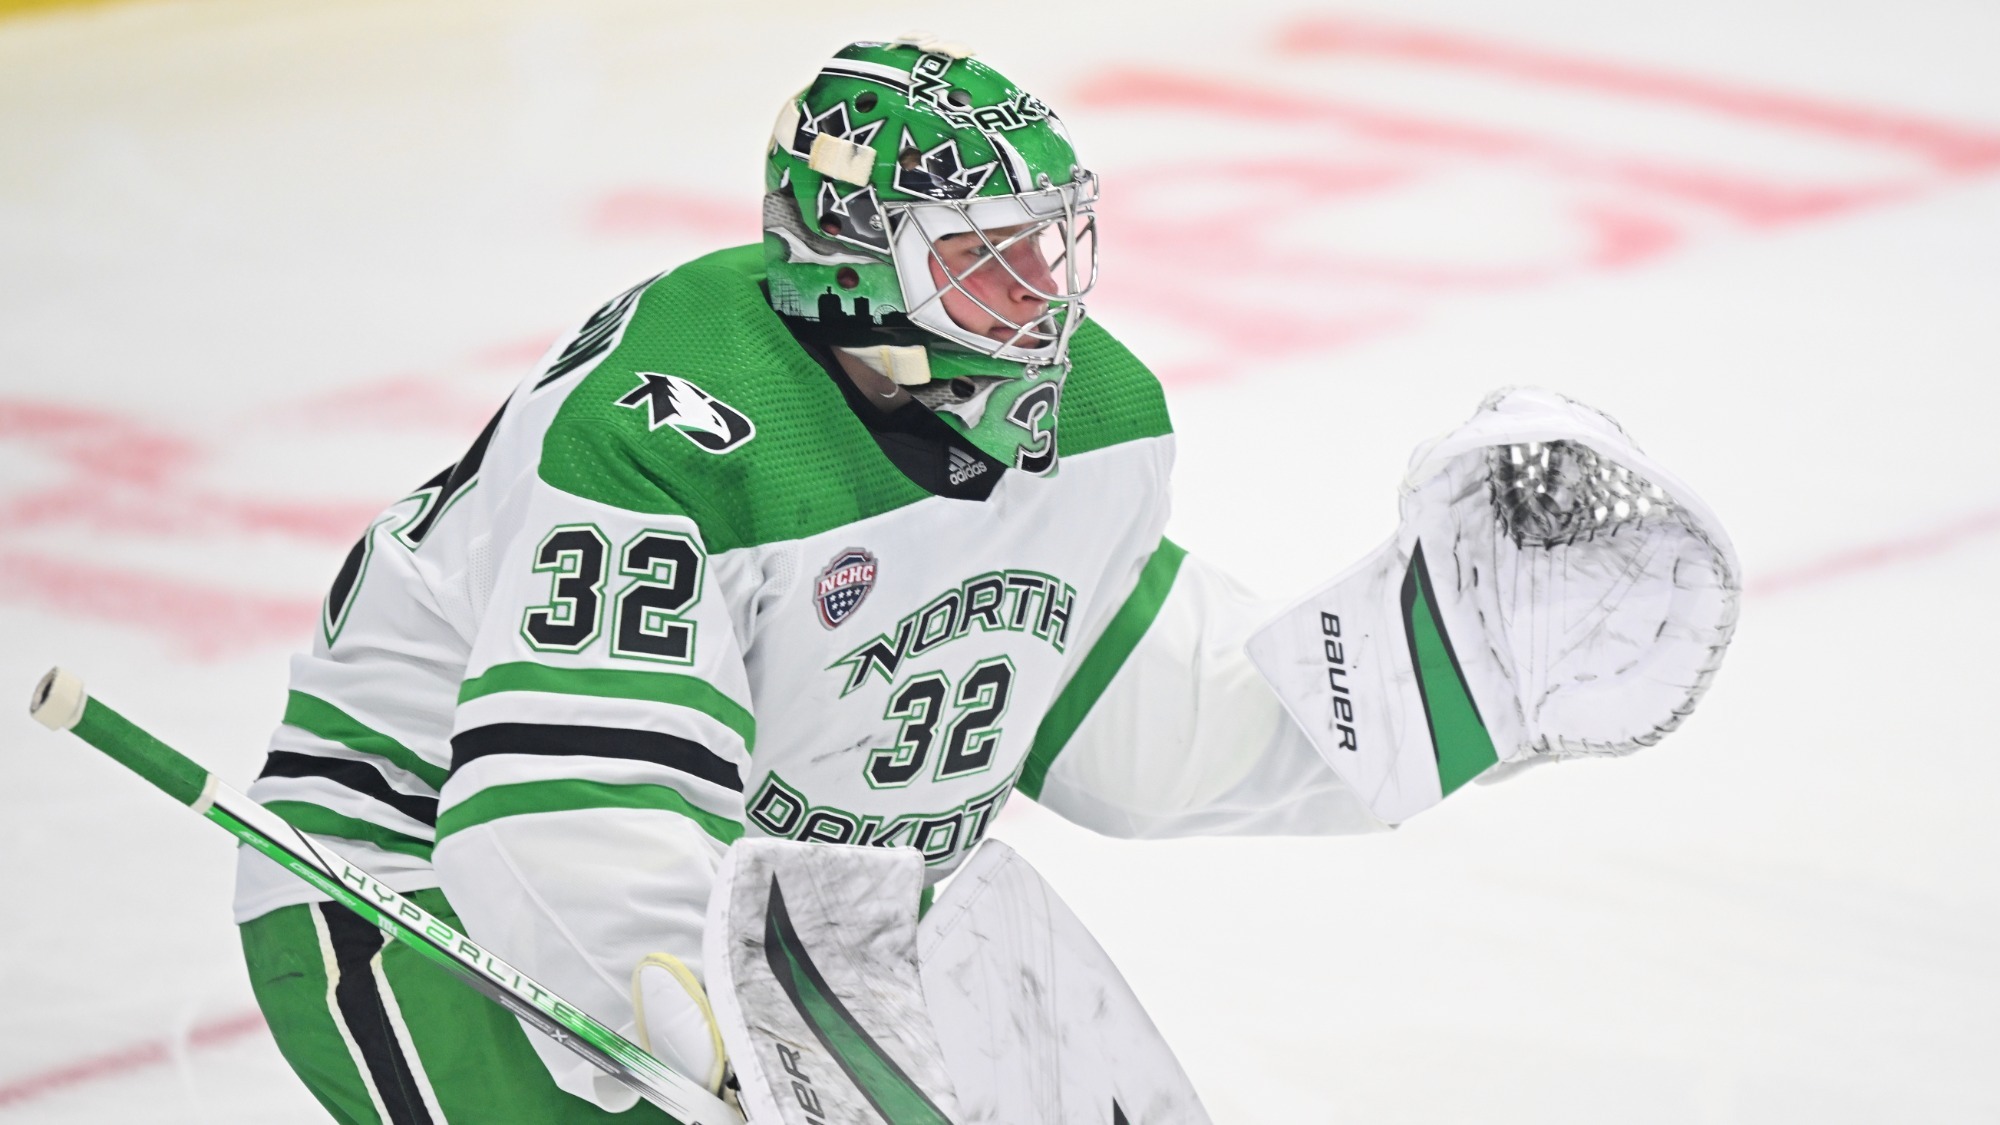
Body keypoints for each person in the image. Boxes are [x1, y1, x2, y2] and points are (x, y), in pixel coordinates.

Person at [230, 34, 1737, 1125]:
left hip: (805, 910)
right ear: (849, 262)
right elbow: (561, 816)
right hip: (421, 892)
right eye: (983, 265)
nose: (1040, 310)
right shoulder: (670, 431)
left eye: (1050, 253)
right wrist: (732, 1048)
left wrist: (1444, 671)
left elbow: (1111, 711)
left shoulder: (1094, 420)